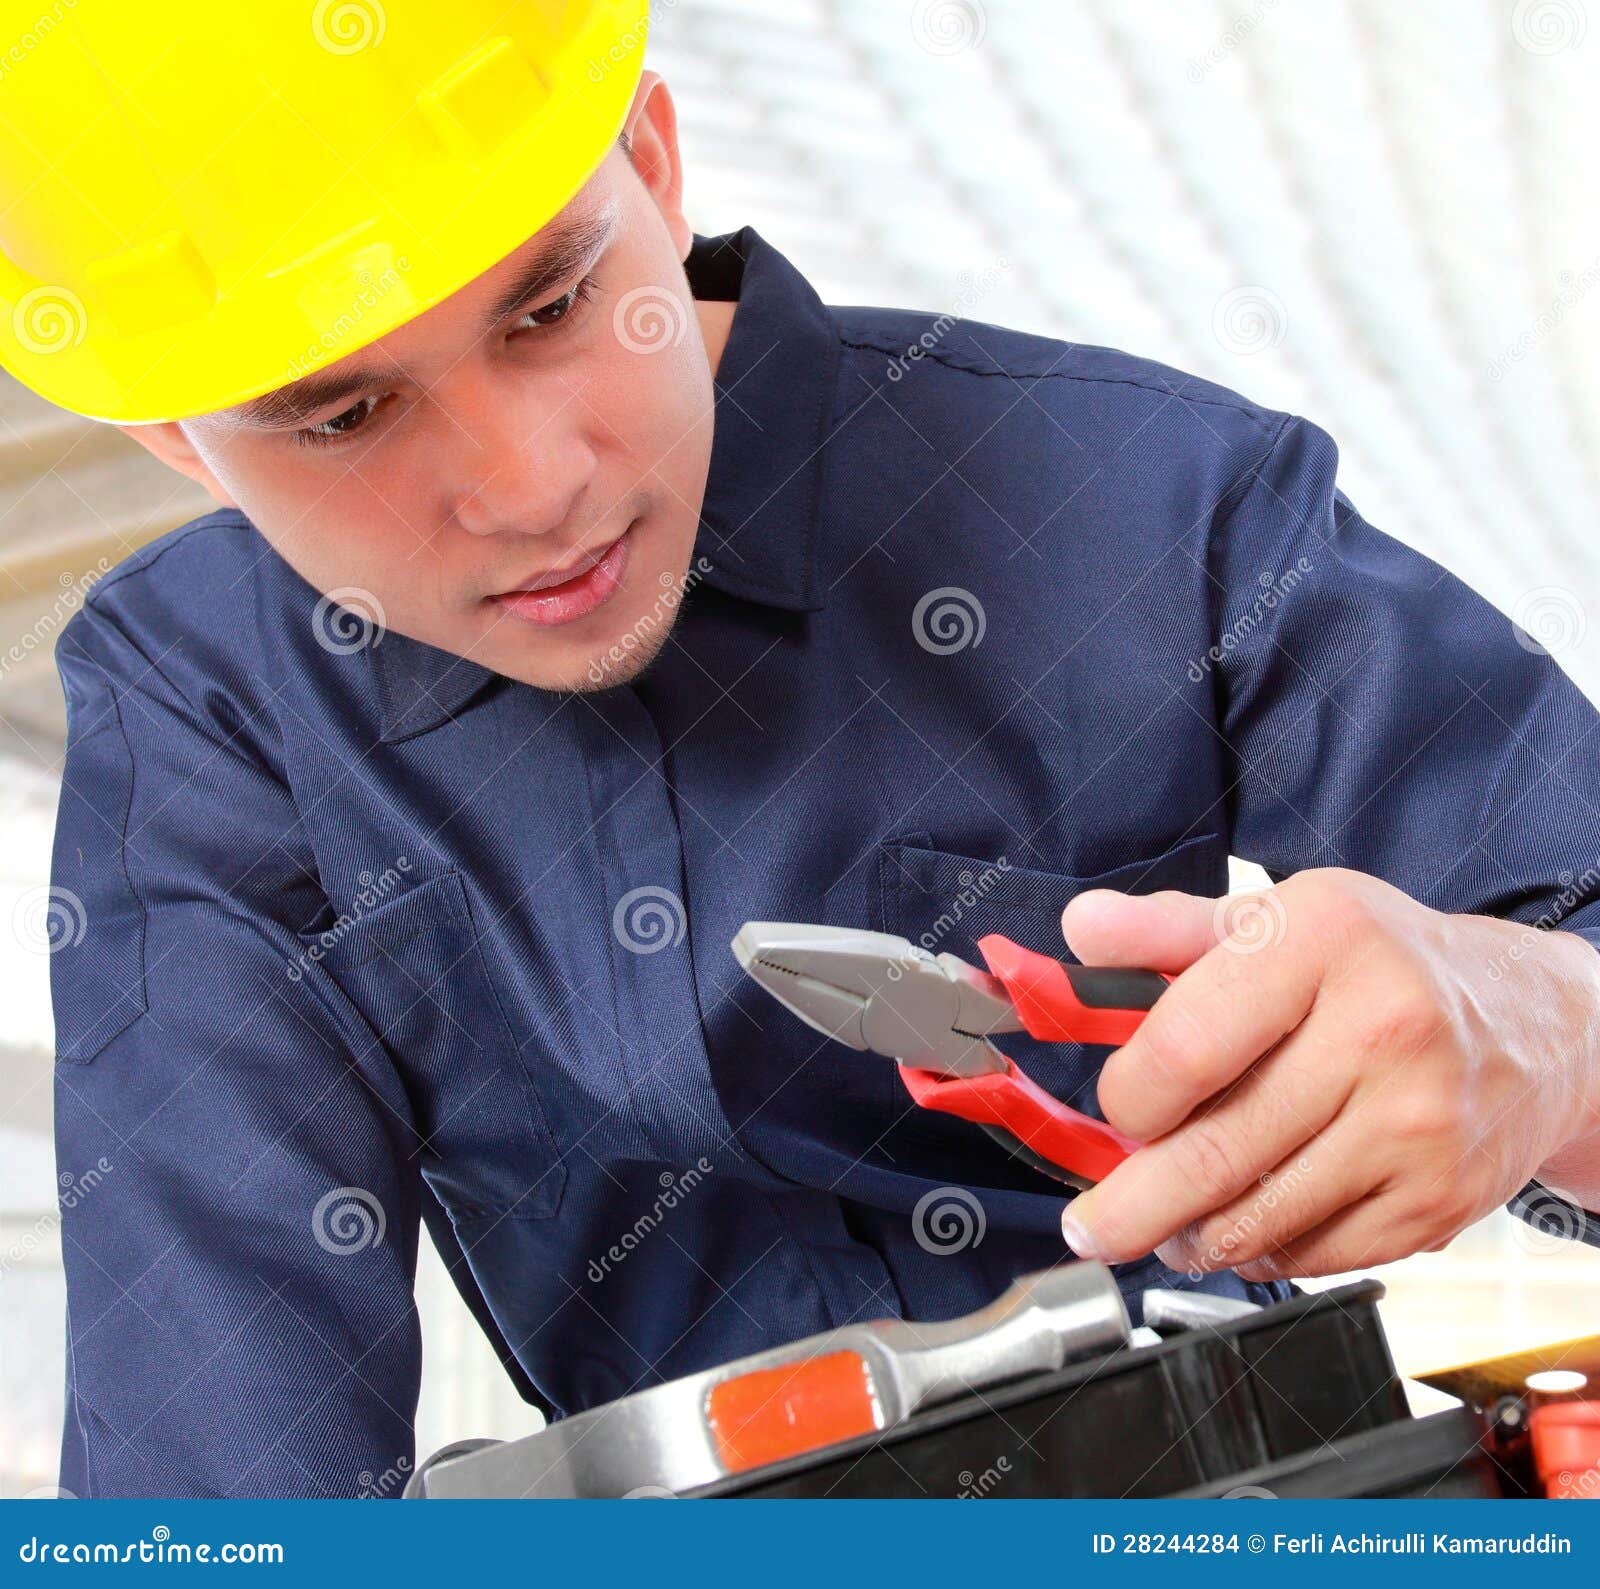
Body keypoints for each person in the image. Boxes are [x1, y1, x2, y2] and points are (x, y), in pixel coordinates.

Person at [10, 3, 1594, 1498]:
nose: (525, 487)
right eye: (341, 415)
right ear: (175, 444)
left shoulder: (1151, 497)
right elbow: (212, 1466)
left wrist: (1548, 1035)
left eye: (552, 304)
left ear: (652, 160)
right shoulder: (208, 706)